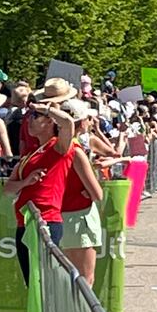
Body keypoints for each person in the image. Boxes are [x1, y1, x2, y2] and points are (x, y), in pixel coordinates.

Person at [4, 100, 91, 285]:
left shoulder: (59, 148)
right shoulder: (30, 154)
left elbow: (67, 122)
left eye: (35, 117)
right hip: (25, 222)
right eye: (30, 116)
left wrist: (45, 109)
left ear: (50, 121)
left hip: (46, 222)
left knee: (44, 284)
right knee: (32, 284)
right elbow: (7, 189)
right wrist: (26, 181)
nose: (29, 121)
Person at [58, 98, 106, 286]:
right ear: (79, 122)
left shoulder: (56, 145)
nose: (90, 122)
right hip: (79, 217)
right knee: (85, 279)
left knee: (67, 279)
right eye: (87, 118)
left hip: (63, 214)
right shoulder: (75, 149)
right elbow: (97, 193)